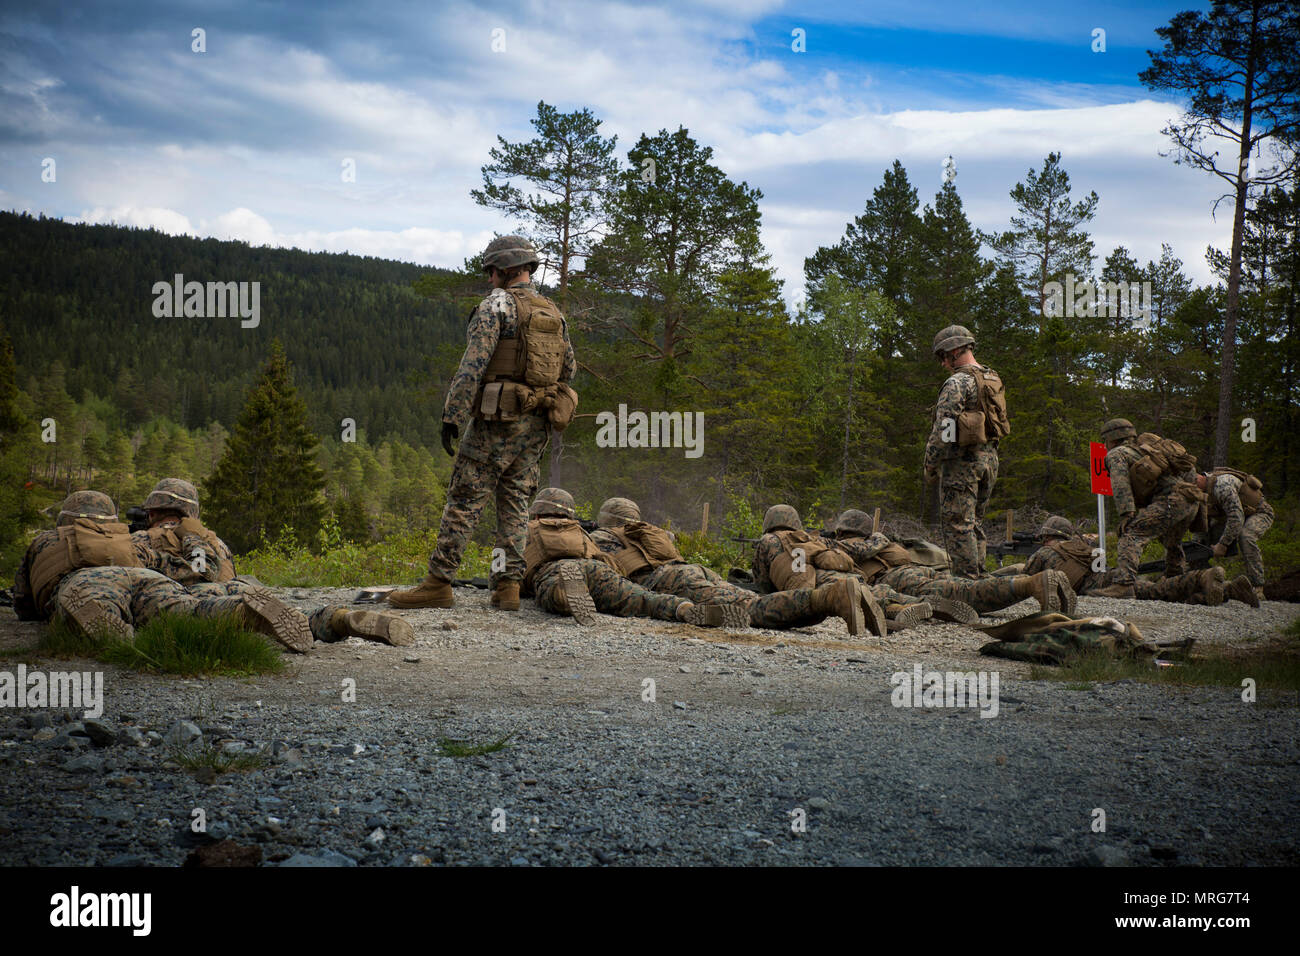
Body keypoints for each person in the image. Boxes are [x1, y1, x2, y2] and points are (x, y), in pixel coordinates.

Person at [390, 236, 577, 613]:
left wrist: (452, 416)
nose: (489, 278)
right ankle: (506, 587)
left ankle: (438, 583)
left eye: (492, 271)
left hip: (497, 422)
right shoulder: (552, 311)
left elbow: (472, 365)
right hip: (536, 423)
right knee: (515, 505)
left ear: (505, 269)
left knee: (464, 501)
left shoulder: (497, 305)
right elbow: (569, 368)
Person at [12, 491, 313, 651]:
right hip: (147, 577)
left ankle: (110, 624)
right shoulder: (124, 539)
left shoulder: (45, 540)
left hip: (86, 581)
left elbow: (24, 604)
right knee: (182, 611)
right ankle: (238, 613)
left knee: (85, 604)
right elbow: (185, 570)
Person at [137, 477, 415, 646]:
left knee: (236, 616)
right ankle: (338, 619)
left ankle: (251, 619)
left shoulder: (144, 538)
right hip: (239, 589)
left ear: (152, 513)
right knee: (294, 617)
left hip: (196, 600)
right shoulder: (215, 540)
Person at [591, 497, 868, 635]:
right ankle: (862, 600)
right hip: (693, 570)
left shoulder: (600, 537)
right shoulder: (650, 530)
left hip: (666, 582)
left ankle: (829, 599)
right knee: (750, 599)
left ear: (604, 519)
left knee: (750, 609)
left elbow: (599, 576)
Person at [521, 489, 726, 628]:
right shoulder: (580, 531)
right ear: (571, 516)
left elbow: (511, 575)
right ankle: (683, 608)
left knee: (552, 593)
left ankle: (564, 590)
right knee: (643, 599)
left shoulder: (524, 531)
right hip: (596, 568)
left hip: (556, 570)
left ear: (536, 515)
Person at [831, 509, 1076, 616]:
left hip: (898, 579)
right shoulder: (880, 540)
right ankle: (1030, 582)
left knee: (963, 591)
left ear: (842, 531)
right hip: (917, 571)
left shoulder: (851, 545)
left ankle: (1033, 584)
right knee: (960, 584)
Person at [923, 325, 1008, 579]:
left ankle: (966, 585)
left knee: (958, 525)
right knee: (974, 523)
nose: (942, 363)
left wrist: (932, 462)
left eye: (942, 356)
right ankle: (979, 576)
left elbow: (945, 428)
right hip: (989, 460)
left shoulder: (958, 382)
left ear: (955, 350)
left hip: (962, 465)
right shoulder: (991, 378)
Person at [1025, 515, 1252, 606]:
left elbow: (1025, 581)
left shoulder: (1045, 553)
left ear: (1047, 536)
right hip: (1112, 577)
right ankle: (1227, 590)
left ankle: (1204, 577)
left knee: (1157, 592)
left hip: (1099, 586)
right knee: (1158, 590)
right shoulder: (1082, 545)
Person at [1093, 419, 1203, 599]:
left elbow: (1120, 484)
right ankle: (1179, 583)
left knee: (1132, 534)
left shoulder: (1117, 454)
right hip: (1190, 500)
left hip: (1170, 500)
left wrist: (1127, 514)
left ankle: (1123, 585)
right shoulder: (1150, 451)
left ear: (1111, 439)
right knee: (1171, 543)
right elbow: (1190, 471)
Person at [1196, 467, 1273, 599]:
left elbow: (1236, 518)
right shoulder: (1200, 492)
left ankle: (1257, 587)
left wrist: (1222, 544)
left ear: (1198, 480)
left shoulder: (1222, 486)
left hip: (1258, 513)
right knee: (1199, 544)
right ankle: (1199, 579)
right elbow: (1203, 523)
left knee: (1246, 537)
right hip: (1233, 516)